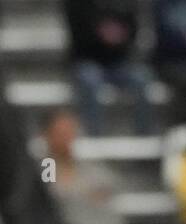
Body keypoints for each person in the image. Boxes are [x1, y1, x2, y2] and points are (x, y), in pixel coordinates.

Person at [63, 0, 157, 136]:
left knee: (142, 77)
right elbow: (77, 33)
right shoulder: (76, 4)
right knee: (89, 80)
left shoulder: (125, 4)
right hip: (87, 60)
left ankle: (144, 134)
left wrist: (119, 38)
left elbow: (133, 30)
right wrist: (101, 36)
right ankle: (95, 135)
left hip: (119, 63)